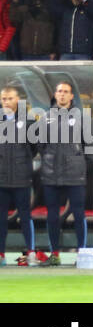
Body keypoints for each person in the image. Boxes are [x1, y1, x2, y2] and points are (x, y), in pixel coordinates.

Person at [0, 86, 37, 265]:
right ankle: (1, 255)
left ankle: (30, 252)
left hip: (22, 178)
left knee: (25, 216)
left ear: (17, 100)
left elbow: (35, 148)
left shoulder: (29, 121)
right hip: (1, 178)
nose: (6, 102)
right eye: (3, 99)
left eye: (9, 99)